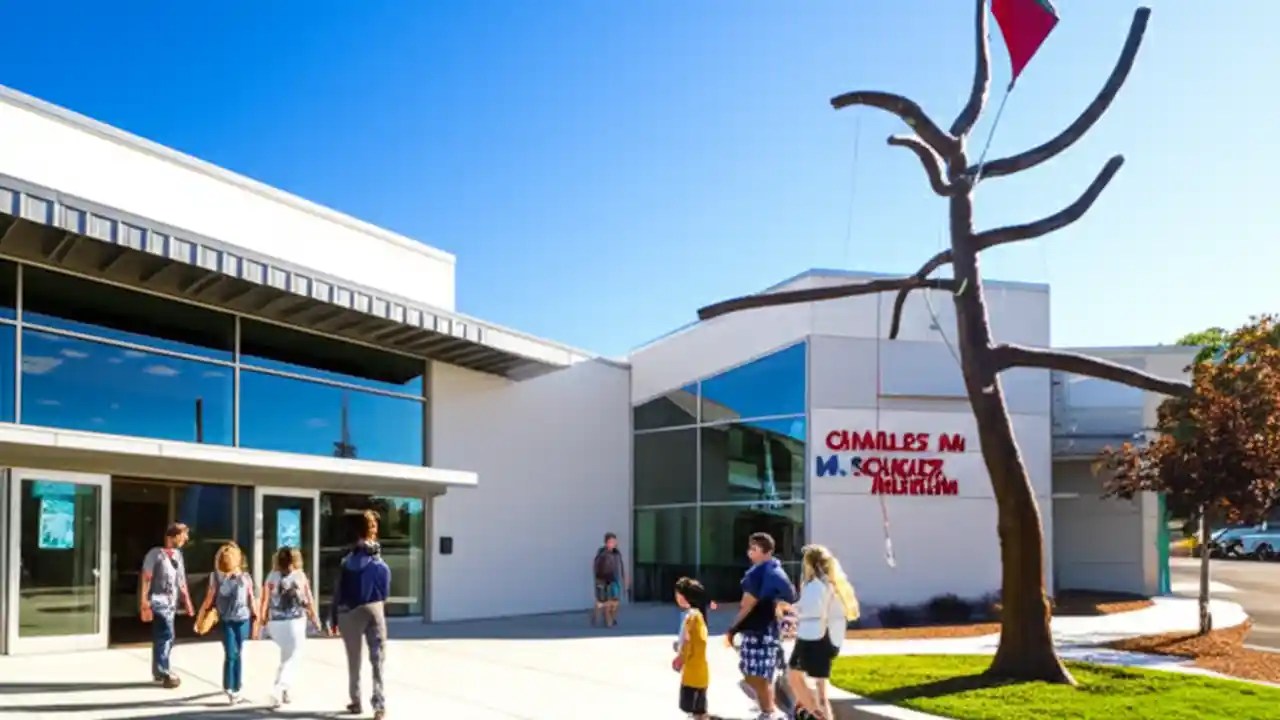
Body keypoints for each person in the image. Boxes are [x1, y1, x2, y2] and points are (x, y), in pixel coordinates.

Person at [781, 545, 860, 720]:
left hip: (814, 640)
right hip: (828, 641)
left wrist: (789, 612)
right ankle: (811, 712)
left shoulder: (816, 585)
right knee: (819, 689)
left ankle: (817, 715)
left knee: (795, 677)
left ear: (809, 564)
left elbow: (811, 611)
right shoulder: (833, 584)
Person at [725, 532, 796, 720]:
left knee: (754, 675)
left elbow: (746, 604)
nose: (750, 553)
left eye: (754, 549)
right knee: (763, 673)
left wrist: (732, 629)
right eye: (750, 548)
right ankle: (769, 707)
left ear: (766, 552)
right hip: (772, 631)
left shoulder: (757, 573)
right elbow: (790, 599)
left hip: (757, 631)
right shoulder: (779, 572)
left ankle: (768, 710)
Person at [329, 510, 392, 720]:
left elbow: (339, 591)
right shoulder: (378, 559)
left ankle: (356, 701)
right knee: (378, 659)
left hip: (349, 610)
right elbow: (385, 586)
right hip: (374, 606)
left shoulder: (347, 560)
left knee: (354, 659)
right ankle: (379, 704)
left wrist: (333, 617)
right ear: (374, 530)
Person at [259, 546, 323, 709]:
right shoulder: (300, 576)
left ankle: (285, 691)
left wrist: (261, 619)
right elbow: (308, 599)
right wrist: (315, 618)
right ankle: (279, 688)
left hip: (275, 622)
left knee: (287, 655)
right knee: (295, 655)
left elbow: (264, 600)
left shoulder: (271, 576)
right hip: (295, 621)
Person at [197, 542, 259, 704]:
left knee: (239, 652)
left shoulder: (245, 577)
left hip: (243, 619)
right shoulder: (216, 577)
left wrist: (257, 617)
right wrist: (201, 617)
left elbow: (251, 598)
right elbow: (209, 598)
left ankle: (237, 685)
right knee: (231, 653)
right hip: (226, 620)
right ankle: (230, 687)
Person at [139, 522, 194, 688]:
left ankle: (158, 670)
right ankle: (164, 670)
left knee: (162, 637)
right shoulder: (156, 554)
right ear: (172, 536)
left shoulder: (178, 555)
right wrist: (144, 601)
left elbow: (181, 581)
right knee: (167, 635)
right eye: (183, 536)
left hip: (171, 603)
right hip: (158, 601)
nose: (185, 539)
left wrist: (188, 602)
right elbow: (147, 577)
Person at [672, 577, 711, 720]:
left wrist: (682, 656)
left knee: (695, 710)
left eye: (677, 594)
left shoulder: (693, 617)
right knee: (697, 709)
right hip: (696, 671)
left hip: (694, 671)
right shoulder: (694, 615)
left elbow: (697, 641)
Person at [591, 532, 628, 627]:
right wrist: (597, 580)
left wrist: (624, 579)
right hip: (602, 579)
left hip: (614, 578)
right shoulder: (602, 553)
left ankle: (612, 618)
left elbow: (621, 566)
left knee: (615, 601)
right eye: (610, 542)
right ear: (606, 543)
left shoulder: (617, 553)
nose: (613, 544)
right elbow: (596, 566)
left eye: (614, 542)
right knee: (603, 602)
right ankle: (606, 621)